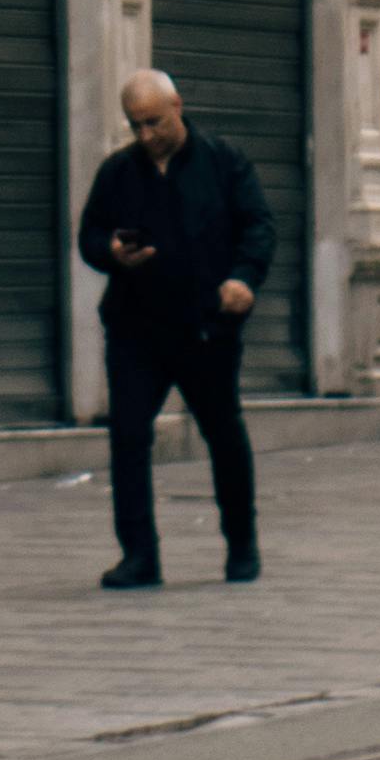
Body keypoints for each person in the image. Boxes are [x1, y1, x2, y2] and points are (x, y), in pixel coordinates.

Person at [75, 67, 273, 591]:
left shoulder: (223, 161)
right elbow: (89, 235)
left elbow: (259, 225)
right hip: (137, 329)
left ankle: (241, 545)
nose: (145, 136)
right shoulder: (118, 172)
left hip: (206, 326)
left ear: (178, 107)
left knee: (224, 435)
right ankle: (139, 556)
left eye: (154, 123)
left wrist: (243, 278)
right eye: (135, 125)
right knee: (129, 438)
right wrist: (112, 252)